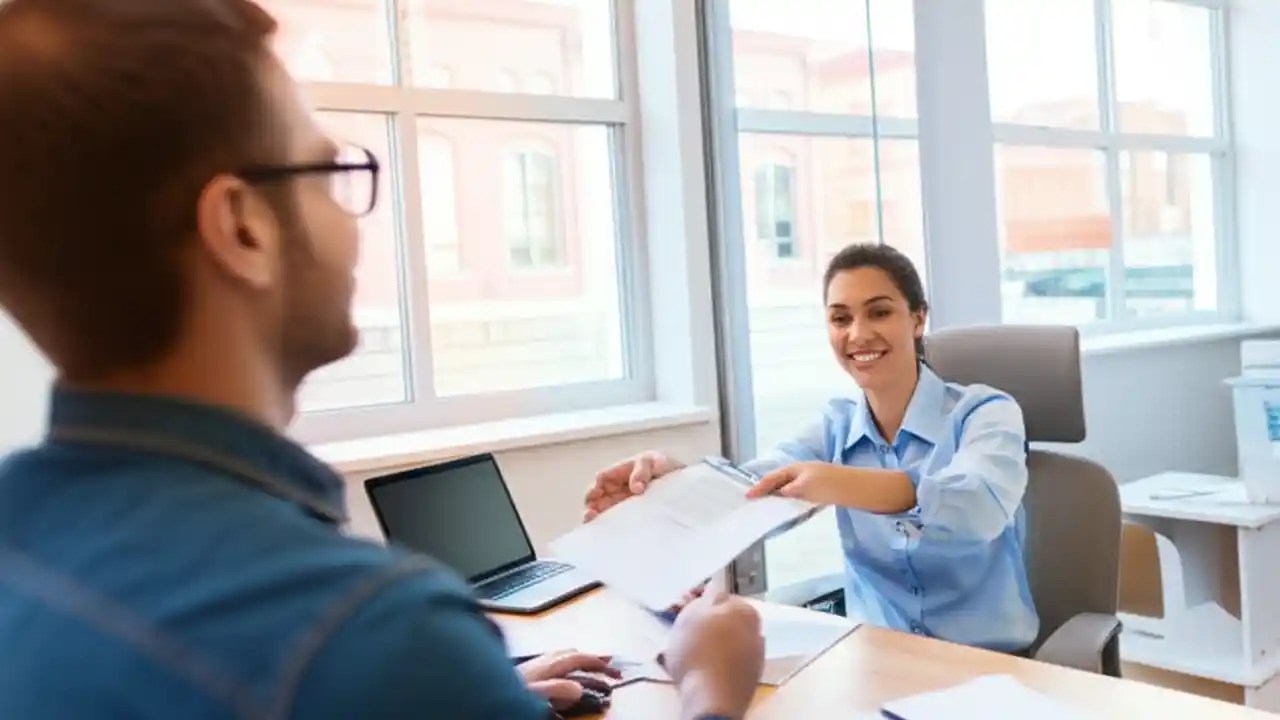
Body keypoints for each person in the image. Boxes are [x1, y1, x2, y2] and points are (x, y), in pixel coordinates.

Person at [0, 1, 763, 718]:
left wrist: (478, 692)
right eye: (327, 170)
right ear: (242, 228)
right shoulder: (369, 638)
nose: (351, 215)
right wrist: (707, 688)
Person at [586, 243, 1040, 653]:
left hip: (988, 664)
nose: (858, 334)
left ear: (919, 318)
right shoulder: (835, 425)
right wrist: (674, 480)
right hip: (879, 661)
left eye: (879, 312)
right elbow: (753, 488)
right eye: (840, 318)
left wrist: (842, 483)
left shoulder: (985, 412)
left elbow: (977, 505)